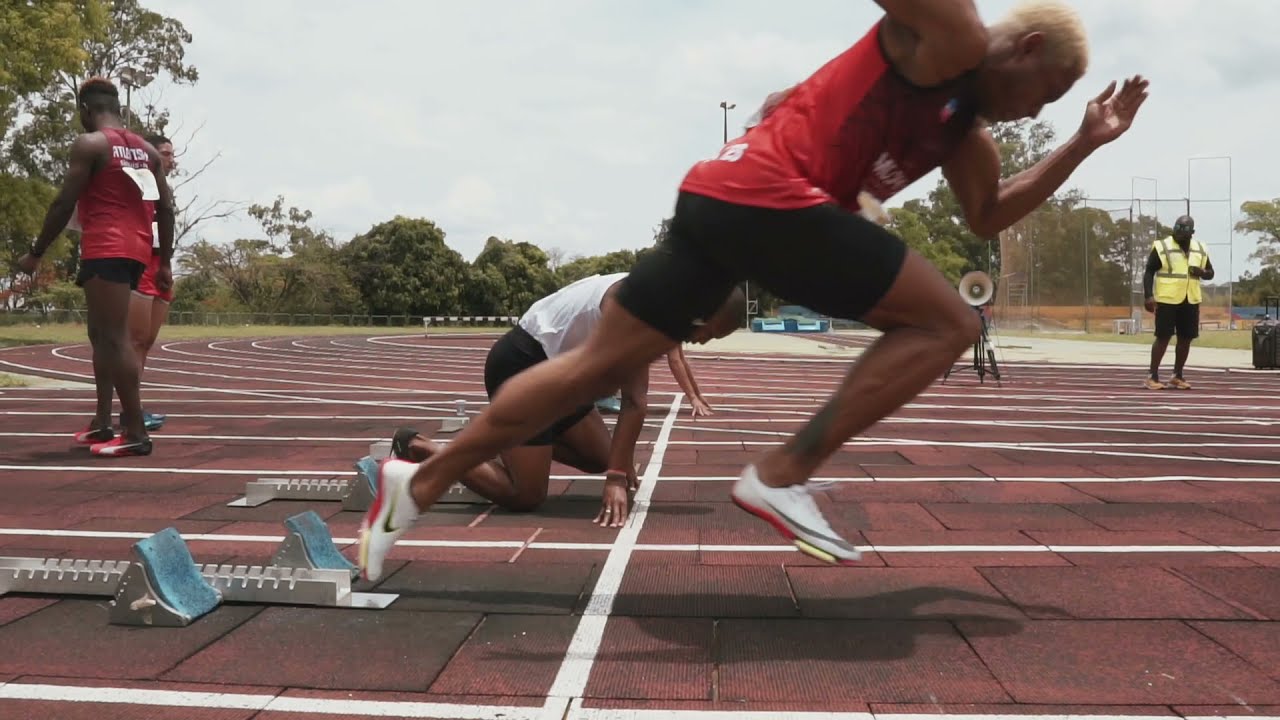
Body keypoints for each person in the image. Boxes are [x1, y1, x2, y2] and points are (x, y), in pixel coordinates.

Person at [357, 0, 1149, 581]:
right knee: (947, 322)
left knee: (594, 368)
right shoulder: (955, 34)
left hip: (716, 199)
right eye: (1042, 97)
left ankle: (415, 484)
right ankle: (780, 475)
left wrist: (1082, 141)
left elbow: (990, 209)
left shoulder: (965, 133)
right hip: (771, 196)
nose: (1031, 113)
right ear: (1027, 48)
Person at [379, 272, 743, 528]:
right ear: (701, 313)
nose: (705, 342)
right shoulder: (640, 306)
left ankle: (507, 444)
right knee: (525, 496)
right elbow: (635, 400)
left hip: (561, 378)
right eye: (710, 333)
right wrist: (617, 478)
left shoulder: (665, 299)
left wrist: (615, 465)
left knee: (600, 456)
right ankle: (417, 445)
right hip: (524, 364)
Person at [18, 77, 175, 457]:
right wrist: (164, 260)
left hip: (107, 245)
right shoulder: (145, 153)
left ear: (85, 111)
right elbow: (164, 207)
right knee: (100, 335)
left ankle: (135, 431)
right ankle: (103, 422)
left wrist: (36, 252)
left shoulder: (90, 144)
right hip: (134, 249)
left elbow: (63, 202)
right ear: (117, 109)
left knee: (115, 336)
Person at [125, 132, 178, 431]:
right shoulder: (143, 184)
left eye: (172, 153)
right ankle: (129, 412)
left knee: (145, 343)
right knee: (134, 341)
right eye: (166, 154)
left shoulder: (163, 187)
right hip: (144, 264)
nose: (172, 159)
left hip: (162, 267)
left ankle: (136, 408)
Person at [1143, 214, 1213, 390]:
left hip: (1190, 299)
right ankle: (1152, 376)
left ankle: (1177, 375)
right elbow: (1149, 271)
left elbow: (1211, 273)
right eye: (1177, 229)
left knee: (1186, 338)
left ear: (1192, 233)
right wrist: (1148, 296)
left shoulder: (1200, 248)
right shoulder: (1163, 246)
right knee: (1163, 337)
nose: (1179, 234)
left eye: (1184, 231)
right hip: (1167, 299)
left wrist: (1201, 272)